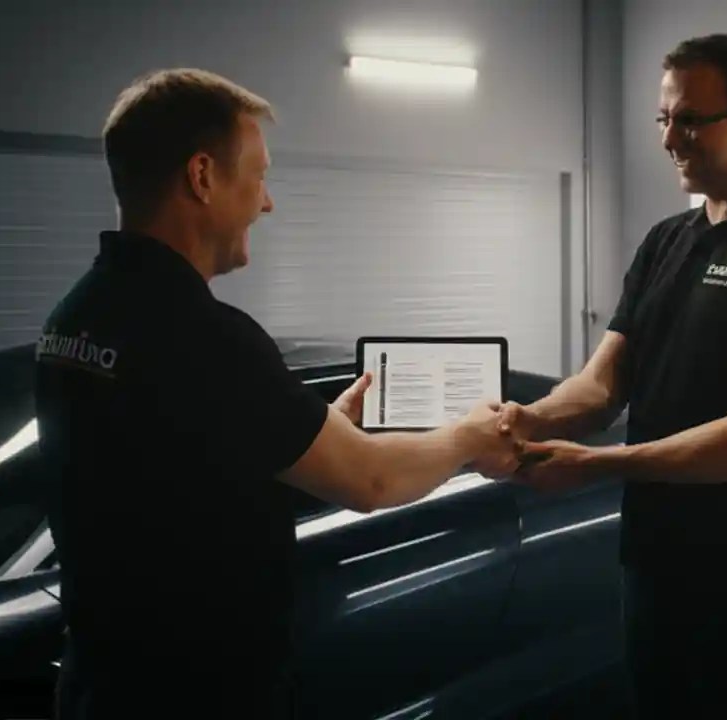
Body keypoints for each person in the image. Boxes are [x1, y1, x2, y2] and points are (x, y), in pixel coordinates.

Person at [35, 68, 518, 720]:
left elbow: (161, 475)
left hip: (100, 687)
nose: (267, 203)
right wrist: (467, 437)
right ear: (203, 177)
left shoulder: (75, 316)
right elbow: (371, 481)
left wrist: (299, 434)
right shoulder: (204, 335)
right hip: (196, 694)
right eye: (258, 176)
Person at [500, 34, 727, 718]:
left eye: (691, 119)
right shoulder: (667, 240)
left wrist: (600, 467)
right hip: (654, 555)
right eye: (664, 118)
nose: (671, 139)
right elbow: (604, 383)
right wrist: (528, 418)